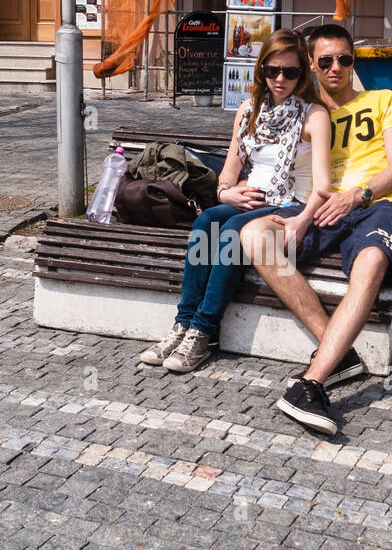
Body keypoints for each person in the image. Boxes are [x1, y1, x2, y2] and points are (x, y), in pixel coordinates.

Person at [240, 23, 392, 435]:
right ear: (312, 67)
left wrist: (358, 194)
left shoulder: (383, 99)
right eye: (326, 60)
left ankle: (311, 383)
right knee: (251, 236)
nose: (337, 67)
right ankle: (343, 357)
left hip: (377, 204)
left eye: (345, 59)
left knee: (370, 264)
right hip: (318, 208)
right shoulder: (307, 111)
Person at [140, 28, 331, 374]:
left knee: (230, 231)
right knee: (205, 221)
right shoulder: (248, 111)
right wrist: (228, 192)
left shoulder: (313, 115)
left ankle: (203, 331)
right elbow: (227, 174)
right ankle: (183, 324)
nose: (280, 79)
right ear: (261, 70)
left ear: (303, 73)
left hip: (290, 206)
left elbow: (322, 185)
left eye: (290, 72)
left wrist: (302, 219)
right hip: (249, 202)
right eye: (272, 70)